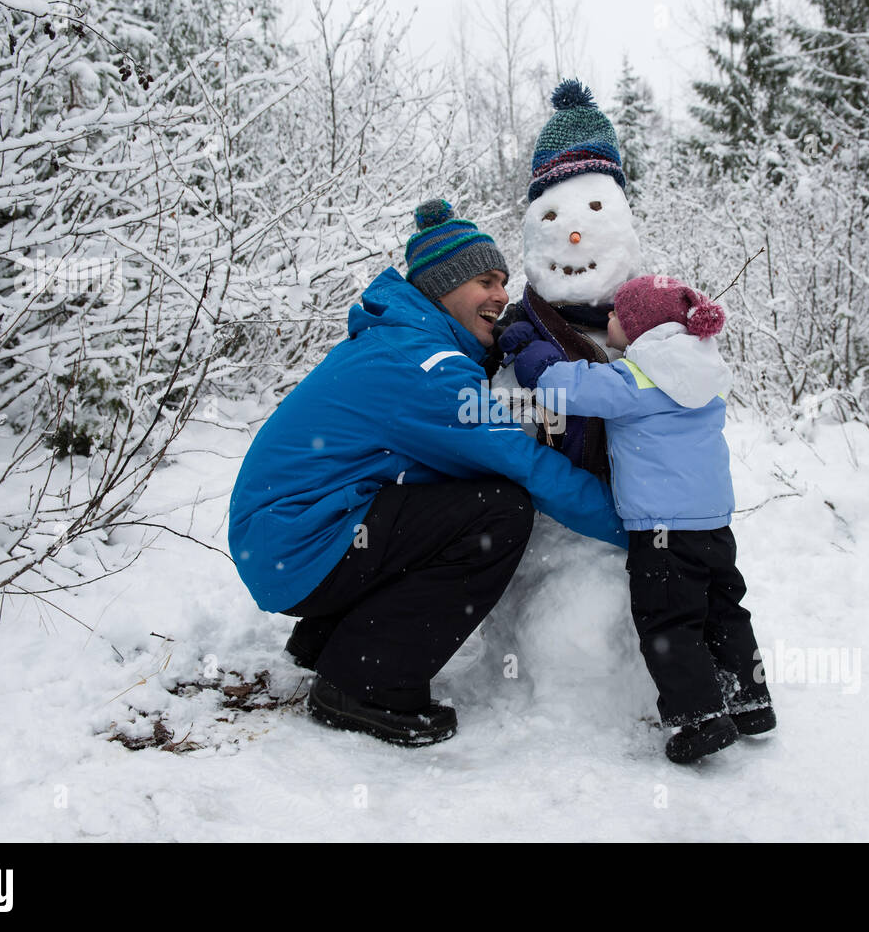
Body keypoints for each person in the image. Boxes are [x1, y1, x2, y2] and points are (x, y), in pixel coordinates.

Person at [227, 199, 627, 748]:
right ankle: (365, 685)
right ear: (443, 286)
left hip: (285, 539)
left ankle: (329, 639)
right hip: (299, 545)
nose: (501, 296)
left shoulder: (402, 341)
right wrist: (639, 527)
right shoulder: (427, 370)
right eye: (486, 281)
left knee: (447, 493)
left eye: (505, 282)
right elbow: (524, 463)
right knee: (499, 509)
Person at [500, 274, 775, 764]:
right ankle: (752, 703)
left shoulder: (636, 380)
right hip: (713, 523)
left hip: (662, 529)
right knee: (724, 611)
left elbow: (566, 387)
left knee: (669, 622)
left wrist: (530, 353)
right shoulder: (704, 373)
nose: (606, 319)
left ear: (640, 327)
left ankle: (700, 718)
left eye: (615, 315)